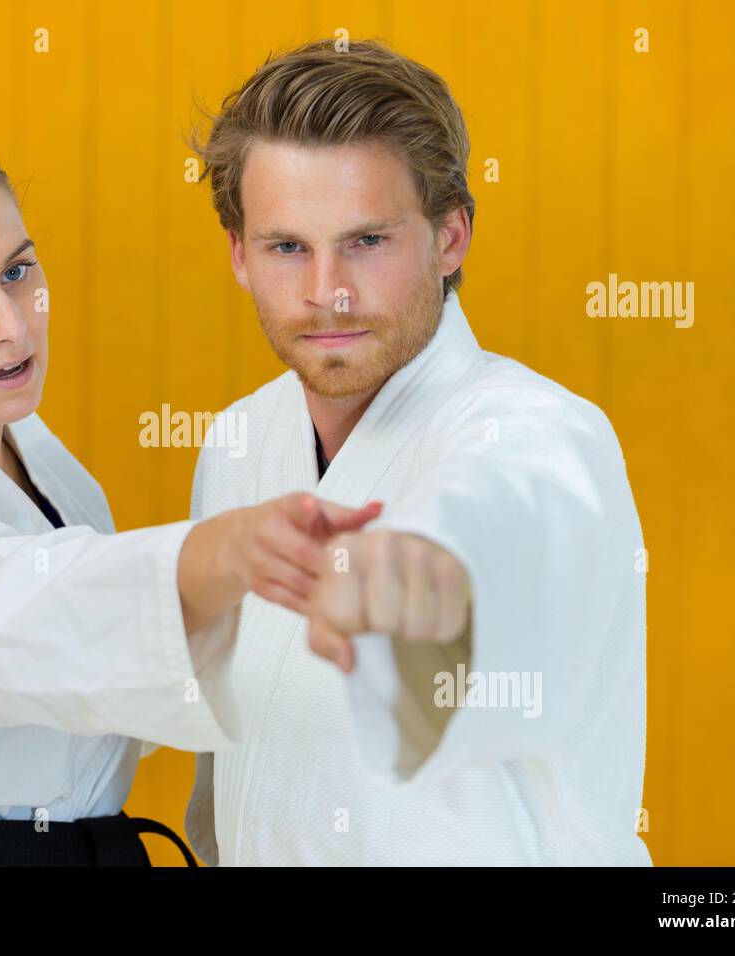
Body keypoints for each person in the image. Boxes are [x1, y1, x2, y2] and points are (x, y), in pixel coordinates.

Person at [0, 121, 380, 866]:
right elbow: (28, 624)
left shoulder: (26, 446)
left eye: (17, 271)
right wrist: (217, 555)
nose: (11, 325)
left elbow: (100, 684)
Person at [179, 38, 652, 865]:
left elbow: (494, 518)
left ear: (451, 237)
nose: (327, 290)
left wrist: (412, 575)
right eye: (287, 246)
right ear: (238, 257)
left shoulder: (541, 434)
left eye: (367, 241)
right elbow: (231, 766)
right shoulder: (237, 442)